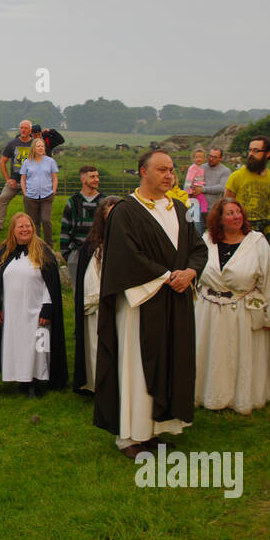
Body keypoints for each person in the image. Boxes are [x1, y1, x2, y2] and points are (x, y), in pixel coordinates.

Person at [93, 150, 207, 457]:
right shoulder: (125, 212)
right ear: (143, 172)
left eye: (172, 170)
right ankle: (131, 435)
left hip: (176, 300)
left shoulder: (182, 209)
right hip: (141, 303)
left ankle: (157, 430)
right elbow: (126, 256)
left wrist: (191, 272)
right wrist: (169, 276)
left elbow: (198, 247)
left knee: (172, 362)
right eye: (162, 170)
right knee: (138, 367)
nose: (169, 175)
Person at [194, 200, 270, 414]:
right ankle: (210, 394)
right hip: (210, 310)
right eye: (230, 213)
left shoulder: (256, 242)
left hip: (242, 310)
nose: (237, 216)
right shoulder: (207, 240)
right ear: (218, 219)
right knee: (213, 355)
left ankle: (240, 396)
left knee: (238, 357)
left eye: (239, 212)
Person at [0, 213, 68, 397]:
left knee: (38, 346)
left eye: (28, 226)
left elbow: (50, 284)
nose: (25, 229)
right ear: (13, 230)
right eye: (21, 227)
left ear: (33, 229)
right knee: (16, 345)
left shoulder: (43, 252)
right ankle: (20, 378)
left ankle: (36, 381)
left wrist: (47, 307)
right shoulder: (4, 253)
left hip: (36, 310)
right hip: (13, 312)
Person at [72, 196, 121, 394]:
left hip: (122, 305)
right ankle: (98, 384)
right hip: (97, 306)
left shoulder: (132, 244)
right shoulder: (91, 247)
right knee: (96, 344)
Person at [224, 136, 270, 237]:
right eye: (250, 150)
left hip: (263, 231)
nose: (251, 154)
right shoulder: (236, 176)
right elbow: (227, 204)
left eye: (256, 151)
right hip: (240, 229)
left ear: (268, 153)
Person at [0, 121, 35, 233]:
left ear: (30, 130)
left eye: (26, 128)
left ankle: (32, 228)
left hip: (30, 181)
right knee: (2, 199)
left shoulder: (34, 144)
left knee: (30, 204)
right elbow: (2, 161)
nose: (23, 130)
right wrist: (8, 179)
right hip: (14, 180)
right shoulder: (12, 143)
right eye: (21, 128)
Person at [59, 165, 104, 288]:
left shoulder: (104, 202)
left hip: (99, 253)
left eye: (97, 176)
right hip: (76, 253)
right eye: (92, 177)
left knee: (97, 292)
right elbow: (65, 229)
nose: (97, 179)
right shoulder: (73, 201)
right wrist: (66, 254)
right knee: (78, 292)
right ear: (83, 179)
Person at [18, 136, 59, 247]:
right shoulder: (27, 162)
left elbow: (54, 177)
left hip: (47, 196)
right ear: (33, 148)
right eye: (38, 146)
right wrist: (25, 193)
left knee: (46, 220)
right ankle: (36, 245)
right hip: (31, 197)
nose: (41, 148)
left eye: (42, 146)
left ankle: (49, 246)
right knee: (33, 223)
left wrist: (53, 191)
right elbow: (23, 179)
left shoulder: (50, 161)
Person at [183, 149, 208, 237]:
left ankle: (204, 216)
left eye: (200, 157)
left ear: (204, 158)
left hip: (198, 189)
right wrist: (188, 191)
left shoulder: (201, 167)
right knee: (193, 215)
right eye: (196, 157)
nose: (198, 159)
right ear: (193, 158)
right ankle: (193, 233)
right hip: (192, 190)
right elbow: (189, 179)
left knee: (200, 205)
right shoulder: (193, 167)